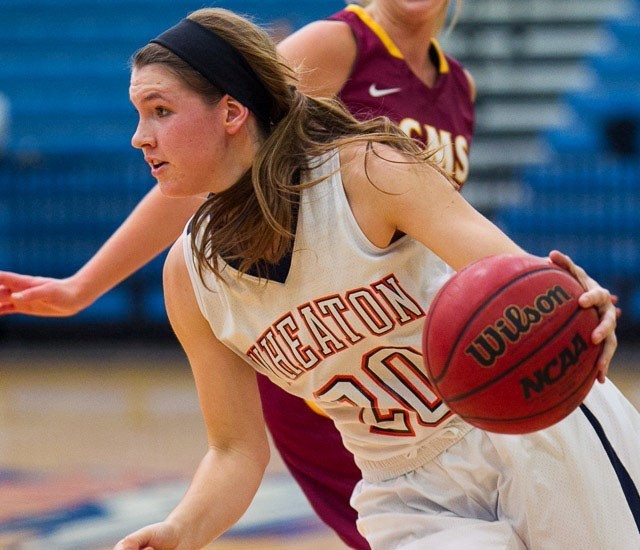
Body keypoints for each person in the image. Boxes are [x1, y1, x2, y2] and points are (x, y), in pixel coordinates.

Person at [103, 8, 640, 549]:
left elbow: (518, 277)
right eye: (140, 115)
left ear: (232, 112)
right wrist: (182, 530)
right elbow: (235, 451)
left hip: (531, 423)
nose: (140, 136)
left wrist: (579, 304)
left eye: (160, 111)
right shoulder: (190, 276)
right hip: (404, 488)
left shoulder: (365, 173)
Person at [0, 1, 473, 547]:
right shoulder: (336, 44)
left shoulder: (456, 89)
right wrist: (84, 285)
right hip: (325, 354)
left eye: (157, 112)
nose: (142, 135)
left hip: (414, 339)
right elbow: (211, 163)